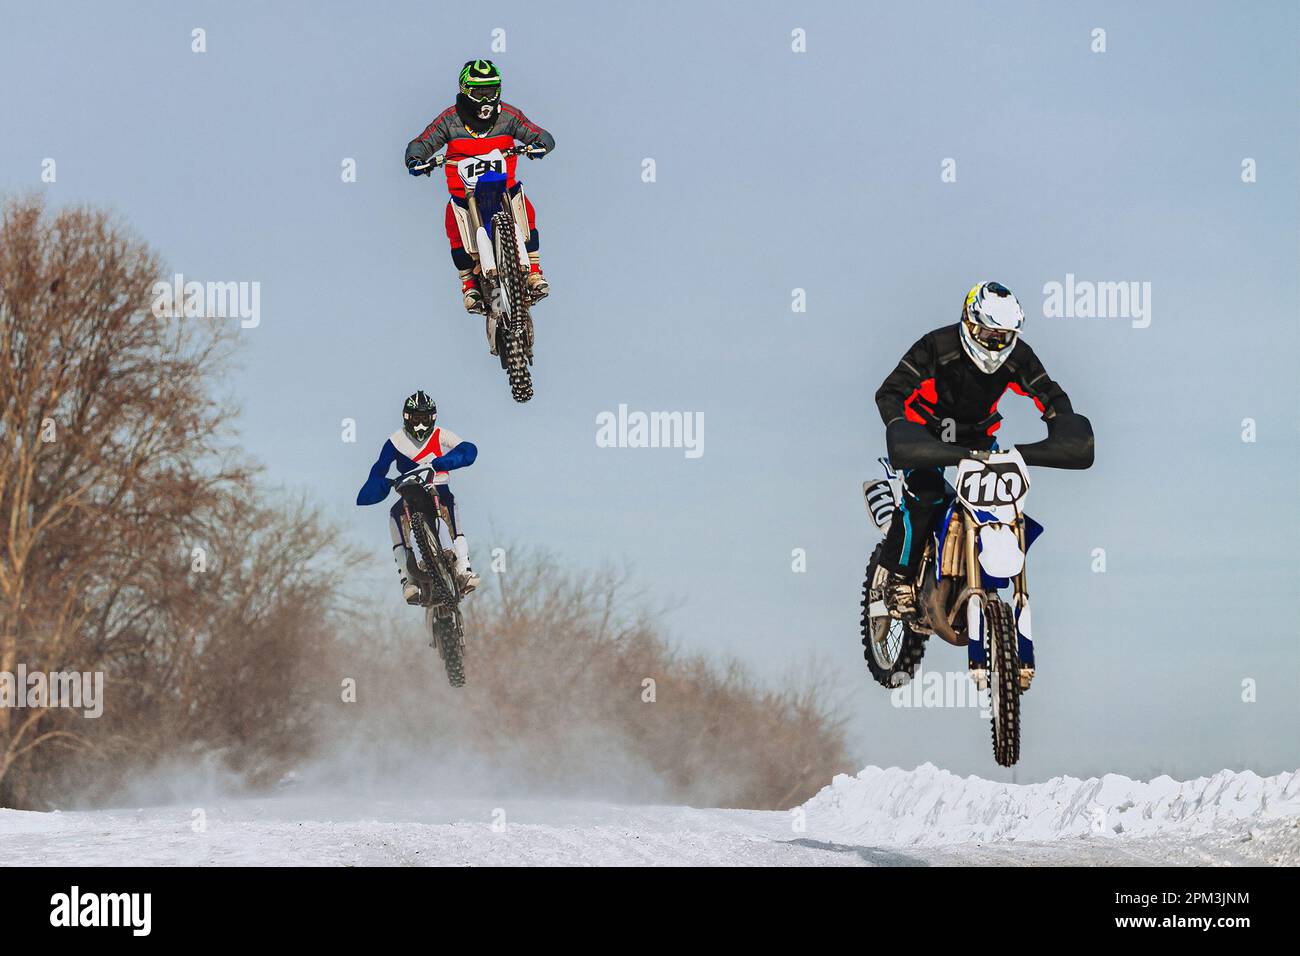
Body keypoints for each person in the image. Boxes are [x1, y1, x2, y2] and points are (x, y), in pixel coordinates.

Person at [873, 281, 1076, 615]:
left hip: (978, 439)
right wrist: (899, 426)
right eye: (988, 334)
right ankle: (898, 578)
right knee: (924, 495)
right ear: (969, 322)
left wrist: (1064, 423)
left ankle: (978, 576)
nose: (995, 343)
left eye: (1003, 336)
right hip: (924, 432)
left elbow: (1047, 392)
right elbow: (891, 391)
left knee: (1001, 504)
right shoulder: (936, 346)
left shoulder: (1017, 357)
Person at [404, 59, 556, 314]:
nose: (486, 100)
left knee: (526, 208)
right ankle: (469, 283)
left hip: (503, 187)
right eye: (479, 93)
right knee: (452, 222)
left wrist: (540, 145)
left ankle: (534, 272)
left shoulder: (509, 116)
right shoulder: (449, 121)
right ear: (466, 92)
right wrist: (416, 159)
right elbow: (423, 142)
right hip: (464, 192)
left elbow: (539, 134)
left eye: (491, 91)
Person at [356, 391, 480, 602]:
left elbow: (467, 449)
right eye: (416, 419)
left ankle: (463, 568)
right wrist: (378, 483)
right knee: (395, 515)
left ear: (432, 418)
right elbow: (380, 467)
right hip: (410, 490)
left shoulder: (441, 434)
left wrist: (445, 462)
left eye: (425, 419)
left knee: (450, 503)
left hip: (438, 486)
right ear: (407, 418)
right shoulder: (395, 441)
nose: (420, 424)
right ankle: (408, 579)